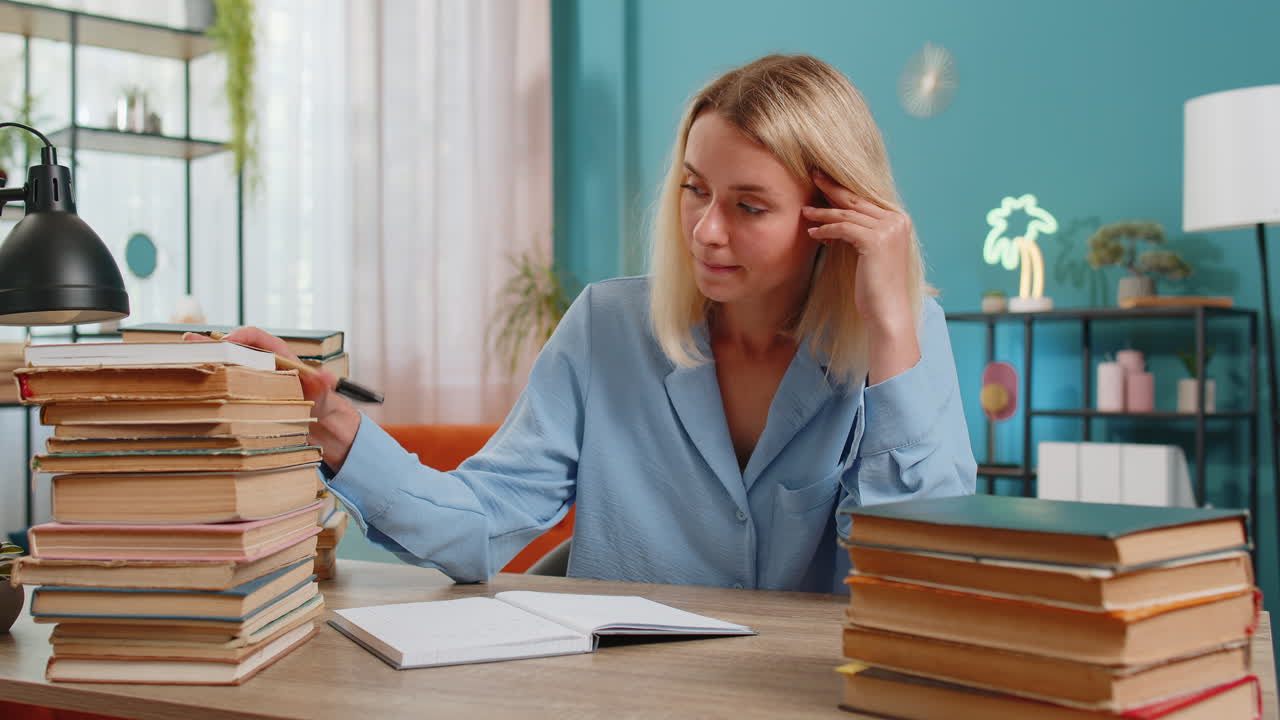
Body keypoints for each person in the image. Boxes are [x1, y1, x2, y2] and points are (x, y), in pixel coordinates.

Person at [208, 54, 976, 593]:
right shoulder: (607, 328)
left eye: (748, 206)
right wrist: (334, 427)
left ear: (832, 215)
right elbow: (480, 524)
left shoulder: (903, 338)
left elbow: (914, 579)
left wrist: (888, 327)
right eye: (693, 189)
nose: (706, 230)